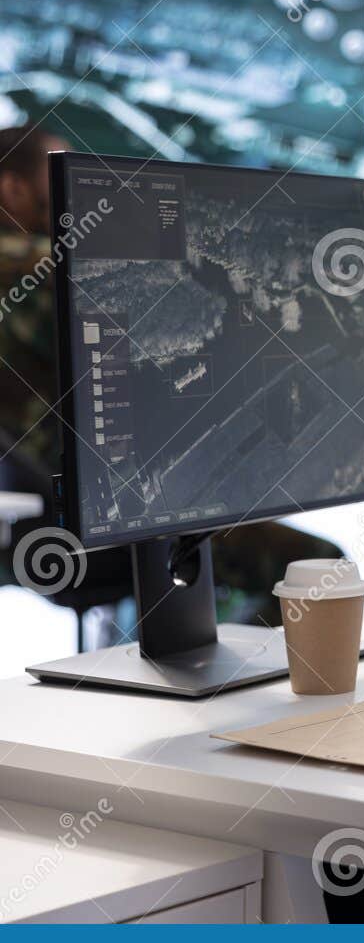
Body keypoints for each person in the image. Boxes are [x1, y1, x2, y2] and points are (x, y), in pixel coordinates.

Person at [0, 123, 341, 625]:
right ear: (13, 188)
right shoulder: (28, 269)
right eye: (59, 176)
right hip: (103, 515)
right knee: (318, 566)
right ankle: (241, 687)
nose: (74, 195)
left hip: (77, 511)